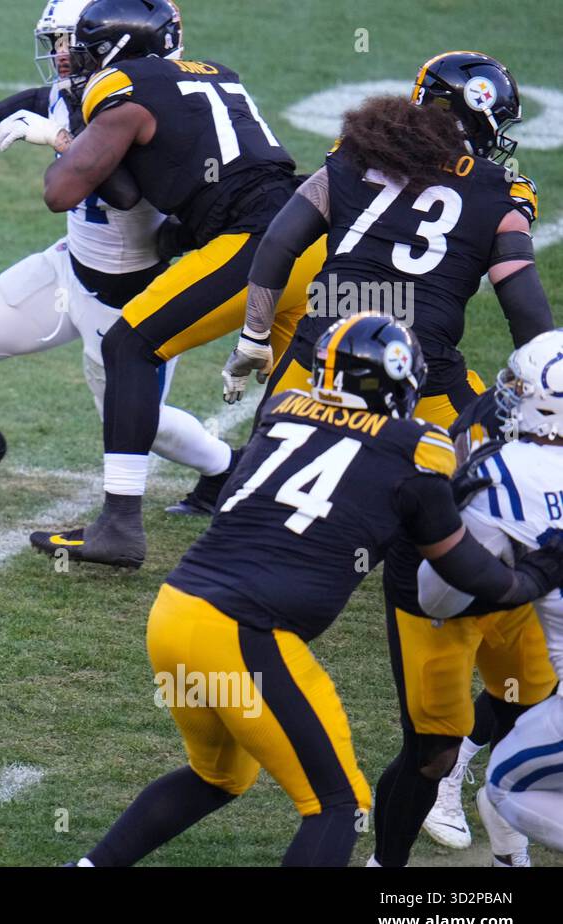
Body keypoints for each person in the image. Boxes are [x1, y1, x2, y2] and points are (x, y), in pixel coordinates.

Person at [72, 314, 563, 866]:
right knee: (337, 803)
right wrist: (539, 572)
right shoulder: (417, 447)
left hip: (175, 613)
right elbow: (467, 571)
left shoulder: (282, 412)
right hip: (246, 634)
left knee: (218, 776)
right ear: (403, 382)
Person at [227, 51, 554, 866]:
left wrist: (252, 335)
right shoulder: (500, 192)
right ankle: (460, 641)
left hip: (325, 348)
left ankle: (242, 606)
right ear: (478, 115)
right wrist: (545, 369)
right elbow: (518, 290)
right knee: (471, 497)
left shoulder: (356, 155)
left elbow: (283, 236)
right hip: (424, 372)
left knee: (263, 479)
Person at [0, 0, 236, 517]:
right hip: (68, 268)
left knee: (139, 425)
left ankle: (224, 468)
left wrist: (58, 139)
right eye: (58, 42)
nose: (61, 55)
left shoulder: (143, 111)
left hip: (130, 302)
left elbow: (122, 191)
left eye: (71, 43)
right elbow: (45, 97)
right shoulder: (80, 88)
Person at [29, 0, 326, 569]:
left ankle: (118, 525)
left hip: (259, 246)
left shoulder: (123, 89)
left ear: (116, 53)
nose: (75, 61)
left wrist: (60, 137)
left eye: (86, 51)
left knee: (129, 344)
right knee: (310, 405)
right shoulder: (217, 75)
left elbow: (60, 193)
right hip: (309, 236)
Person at [417, 330, 563, 861]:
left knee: (509, 778)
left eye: (519, 386)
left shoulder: (514, 473)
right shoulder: (516, 460)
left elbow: (436, 596)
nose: (507, 392)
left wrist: (519, 581)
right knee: (522, 700)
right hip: (519, 637)